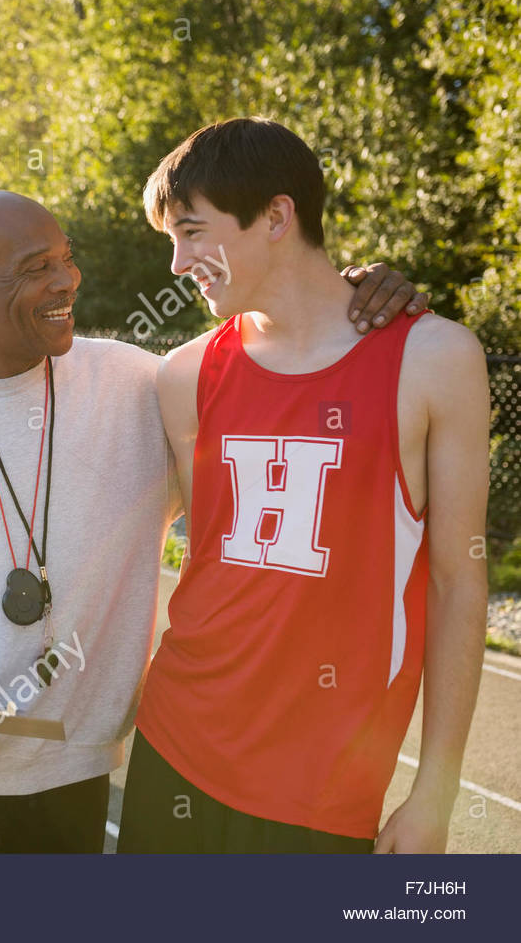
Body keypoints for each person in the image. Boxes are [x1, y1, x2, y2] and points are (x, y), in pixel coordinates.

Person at [0, 188, 426, 854]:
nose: (66, 281)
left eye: (66, 259)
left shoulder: (137, 386)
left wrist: (338, 299)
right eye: (35, 269)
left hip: (75, 778)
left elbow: (271, 398)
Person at [117, 118, 488, 854]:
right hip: (176, 744)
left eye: (192, 232)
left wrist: (434, 796)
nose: (176, 262)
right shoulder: (184, 374)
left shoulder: (435, 358)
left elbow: (457, 584)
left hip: (324, 786)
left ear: (277, 217)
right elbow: (204, 557)